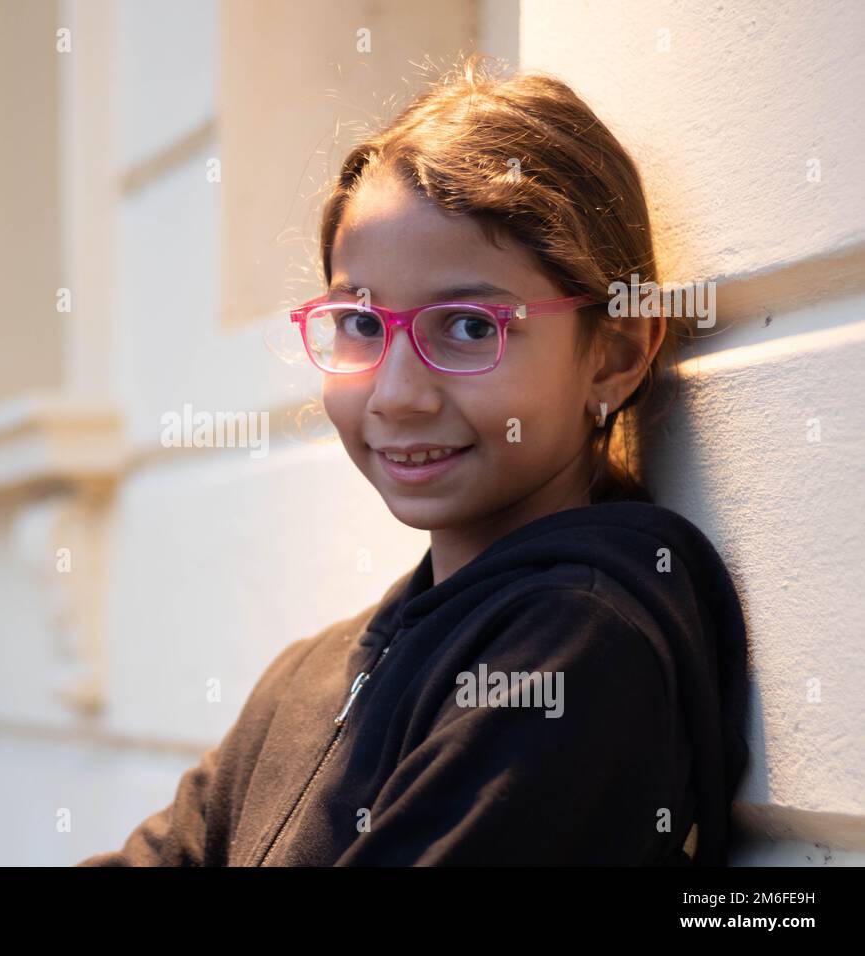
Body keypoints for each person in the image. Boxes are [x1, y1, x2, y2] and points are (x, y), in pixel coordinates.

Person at [75, 56, 750, 866]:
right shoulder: (309, 678)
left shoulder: (580, 649)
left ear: (613, 354)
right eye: (360, 324)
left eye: (469, 326)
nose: (396, 394)